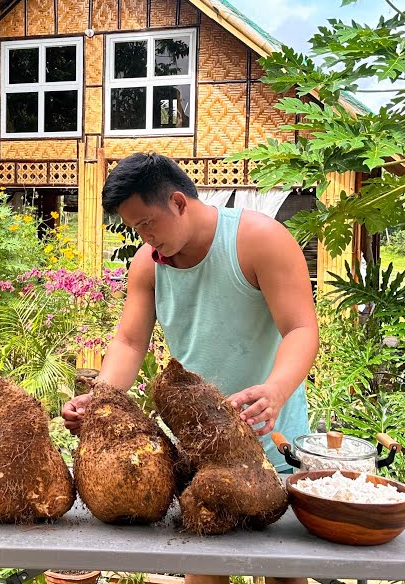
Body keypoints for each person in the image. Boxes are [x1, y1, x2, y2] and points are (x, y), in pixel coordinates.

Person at [62, 152, 318, 584]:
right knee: (203, 569)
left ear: (178, 202)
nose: (143, 237)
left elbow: (300, 329)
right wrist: (100, 401)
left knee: (280, 572)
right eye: (133, 228)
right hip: (198, 446)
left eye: (147, 223)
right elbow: (129, 341)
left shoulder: (258, 239)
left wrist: (275, 390)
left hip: (269, 439)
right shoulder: (148, 264)